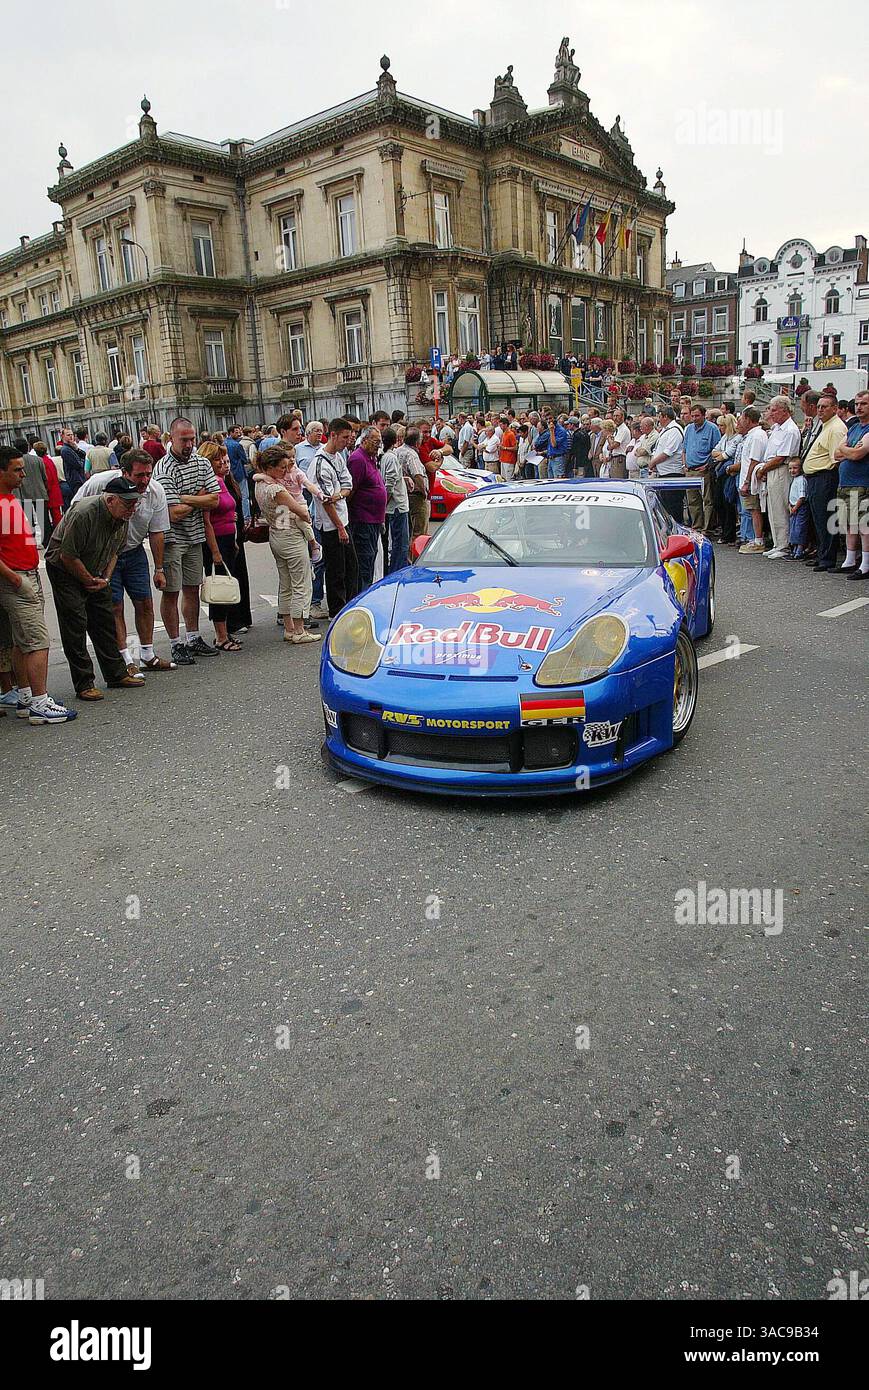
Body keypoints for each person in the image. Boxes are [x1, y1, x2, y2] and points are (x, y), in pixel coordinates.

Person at [71, 448, 175, 674]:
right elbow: (75, 510)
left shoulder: (155, 491)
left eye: (148, 474)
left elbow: (157, 532)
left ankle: (147, 654)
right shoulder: (99, 483)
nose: (145, 480)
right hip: (104, 554)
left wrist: (159, 568)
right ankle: (126, 660)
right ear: (124, 472)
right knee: (114, 607)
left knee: (144, 602)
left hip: (134, 550)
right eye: (139, 475)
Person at [45, 477, 147, 699]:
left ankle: (116, 673)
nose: (133, 508)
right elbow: (67, 556)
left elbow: (114, 551)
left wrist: (105, 579)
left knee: (104, 620)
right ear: (110, 500)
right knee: (75, 624)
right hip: (65, 569)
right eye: (128, 503)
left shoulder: (122, 516)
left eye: (135, 503)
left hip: (96, 569)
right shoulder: (84, 513)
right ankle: (84, 683)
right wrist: (88, 580)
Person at [0, 445, 77, 723]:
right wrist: (14, 578)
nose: (23, 474)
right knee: (37, 642)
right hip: (18, 578)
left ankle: (26, 697)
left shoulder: (9, 499)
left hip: (25, 573)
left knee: (22, 642)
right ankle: (40, 703)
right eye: (17, 470)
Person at [153, 417, 221, 666]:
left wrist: (186, 498)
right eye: (184, 439)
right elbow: (172, 513)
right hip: (171, 538)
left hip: (195, 536)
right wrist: (198, 497)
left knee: (192, 588)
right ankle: (175, 643)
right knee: (171, 592)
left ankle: (193, 636)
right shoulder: (163, 469)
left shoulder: (202, 462)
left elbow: (214, 500)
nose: (189, 444)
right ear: (171, 438)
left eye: (192, 439)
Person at [255, 445, 320, 643]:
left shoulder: (260, 484)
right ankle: (299, 630)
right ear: (270, 467)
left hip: (276, 534)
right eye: (282, 467)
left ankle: (289, 627)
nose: (286, 471)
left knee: (286, 583)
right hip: (291, 535)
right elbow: (301, 511)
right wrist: (304, 514)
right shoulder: (277, 489)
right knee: (301, 582)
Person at [198, 442, 248, 650]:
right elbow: (206, 520)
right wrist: (215, 551)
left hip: (228, 538)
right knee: (219, 587)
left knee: (226, 586)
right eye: (217, 459)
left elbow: (228, 509)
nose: (223, 463)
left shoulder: (222, 481)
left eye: (223, 459)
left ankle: (225, 631)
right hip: (216, 541)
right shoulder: (209, 485)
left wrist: (235, 540)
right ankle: (220, 636)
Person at [306, 418, 358, 617]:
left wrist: (340, 494)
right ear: (333, 435)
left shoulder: (338, 456)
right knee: (337, 570)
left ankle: (349, 604)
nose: (348, 441)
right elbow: (326, 501)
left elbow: (348, 484)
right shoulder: (320, 463)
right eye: (344, 437)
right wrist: (340, 527)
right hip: (331, 525)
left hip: (343, 518)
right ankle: (336, 610)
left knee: (351, 566)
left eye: (349, 437)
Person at [801, 394, 847, 572]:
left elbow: (836, 458)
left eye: (825, 407)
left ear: (835, 408)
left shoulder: (835, 428)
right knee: (818, 519)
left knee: (826, 519)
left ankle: (827, 558)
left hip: (825, 477)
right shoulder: (825, 426)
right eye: (819, 406)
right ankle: (822, 554)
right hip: (815, 477)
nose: (820, 410)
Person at [754, 396, 801, 559]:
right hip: (773, 469)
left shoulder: (790, 430)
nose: (771, 413)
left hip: (781, 470)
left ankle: (784, 544)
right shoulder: (777, 428)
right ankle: (777, 542)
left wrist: (763, 470)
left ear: (784, 410)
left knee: (780, 507)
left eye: (774, 410)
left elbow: (781, 457)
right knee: (773, 508)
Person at [832, 388, 869, 578]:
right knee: (848, 524)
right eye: (857, 404)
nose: (859, 407)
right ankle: (849, 560)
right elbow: (836, 453)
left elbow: (856, 454)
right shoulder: (854, 428)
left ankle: (865, 564)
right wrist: (849, 450)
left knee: (863, 525)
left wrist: (847, 451)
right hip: (845, 483)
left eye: (864, 404)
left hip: (863, 483)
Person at [347, 425, 388, 591]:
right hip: (362, 519)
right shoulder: (358, 459)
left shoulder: (372, 458)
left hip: (374, 520)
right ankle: (361, 596)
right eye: (375, 441)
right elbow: (351, 490)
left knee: (371, 559)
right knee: (365, 561)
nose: (378, 445)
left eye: (380, 442)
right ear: (364, 441)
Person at [377, 427, 410, 573]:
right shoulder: (390, 457)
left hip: (393, 505)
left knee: (394, 542)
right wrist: (384, 503)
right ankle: (397, 571)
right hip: (397, 505)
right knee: (400, 543)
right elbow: (389, 484)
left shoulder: (383, 456)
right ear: (395, 440)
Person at [737, 407, 768, 554]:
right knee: (750, 510)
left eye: (742, 419)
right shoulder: (753, 435)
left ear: (749, 419)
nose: (740, 422)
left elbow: (754, 460)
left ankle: (758, 539)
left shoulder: (757, 436)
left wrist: (747, 481)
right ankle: (754, 538)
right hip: (747, 479)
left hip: (752, 481)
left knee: (754, 510)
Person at [649, 407, 686, 521]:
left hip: (673, 473)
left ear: (665, 417)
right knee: (666, 505)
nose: (658, 420)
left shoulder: (675, 430)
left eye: (660, 417)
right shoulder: (666, 430)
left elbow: (668, 452)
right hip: (664, 472)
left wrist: (653, 462)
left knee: (673, 505)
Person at [397, 427, 429, 554]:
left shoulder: (398, 451)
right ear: (417, 442)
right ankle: (415, 559)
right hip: (415, 496)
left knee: (407, 530)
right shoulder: (412, 454)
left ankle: (407, 558)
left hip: (403, 495)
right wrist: (424, 491)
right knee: (419, 532)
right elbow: (417, 474)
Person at [709, 414, 740, 544]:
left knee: (728, 503)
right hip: (720, 473)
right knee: (718, 502)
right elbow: (714, 452)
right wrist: (721, 455)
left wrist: (721, 455)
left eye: (722, 425)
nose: (720, 427)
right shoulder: (724, 438)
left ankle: (729, 533)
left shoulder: (737, 438)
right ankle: (724, 530)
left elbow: (726, 455)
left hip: (729, 473)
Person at [223, 425, 251, 523]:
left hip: (229, 474)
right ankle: (246, 517)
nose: (238, 434)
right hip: (239, 473)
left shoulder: (224, 443)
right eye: (236, 432)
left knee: (232, 495)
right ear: (230, 433)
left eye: (239, 431)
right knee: (244, 496)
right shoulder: (237, 445)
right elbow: (244, 459)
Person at [787, 460, 810, 559]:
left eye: (795, 468)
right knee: (793, 528)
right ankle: (794, 549)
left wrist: (796, 507)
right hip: (793, 507)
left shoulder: (801, 480)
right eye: (790, 468)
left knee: (800, 528)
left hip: (800, 507)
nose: (792, 470)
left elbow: (802, 496)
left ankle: (800, 550)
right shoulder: (794, 480)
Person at [608, 408, 631, 480]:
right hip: (614, 458)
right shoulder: (617, 429)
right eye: (614, 416)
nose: (615, 418)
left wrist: (609, 438)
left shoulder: (623, 429)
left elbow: (614, 445)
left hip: (620, 459)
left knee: (618, 481)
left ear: (622, 417)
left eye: (617, 416)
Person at [498, 415, 519, 481]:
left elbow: (515, 448)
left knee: (509, 479)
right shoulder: (504, 433)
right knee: (503, 479)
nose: (500, 427)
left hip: (509, 460)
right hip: (503, 459)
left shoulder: (511, 434)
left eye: (501, 425)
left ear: (506, 424)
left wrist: (504, 448)